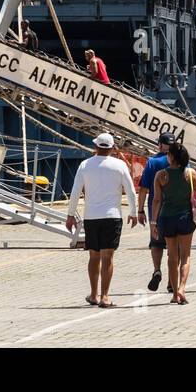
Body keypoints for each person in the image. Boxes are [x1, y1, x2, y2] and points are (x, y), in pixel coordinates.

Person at [65, 132, 139, 308]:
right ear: (113, 149)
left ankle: (93, 294)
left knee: (93, 256)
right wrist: (134, 212)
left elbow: (75, 192)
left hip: (91, 216)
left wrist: (69, 215)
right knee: (108, 256)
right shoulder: (120, 165)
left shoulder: (85, 165)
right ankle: (105, 296)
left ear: (95, 147)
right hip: (112, 216)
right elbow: (130, 191)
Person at [150, 142, 196, 304]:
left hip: (166, 218)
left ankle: (175, 294)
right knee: (185, 256)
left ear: (171, 156)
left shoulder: (161, 175)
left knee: (172, 257)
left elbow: (157, 200)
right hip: (185, 217)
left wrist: (153, 223)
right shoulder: (191, 174)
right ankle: (182, 287)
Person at [136, 133, 174, 293]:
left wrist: (140, 210)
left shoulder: (152, 162)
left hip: (156, 212)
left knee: (156, 244)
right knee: (174, 246)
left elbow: (144, 189)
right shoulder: (182, 161)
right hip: (177, 210)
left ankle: (157, 269)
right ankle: (173, 282)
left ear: (159, 145)